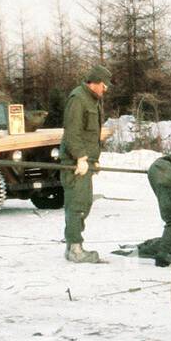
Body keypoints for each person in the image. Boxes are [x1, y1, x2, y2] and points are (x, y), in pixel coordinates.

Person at [60, 65, 113, 263]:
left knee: (85, 203)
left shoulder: (93, 100)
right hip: (75, 163)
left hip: (86, 162)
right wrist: (80, 157)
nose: (105, 89)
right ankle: (75, 249)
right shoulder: (78, 99)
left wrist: (93, 159)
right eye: (103, 85)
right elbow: (72, 132)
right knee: (77, 204)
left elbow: (91, 135)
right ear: (95, 83)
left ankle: (73, 246)